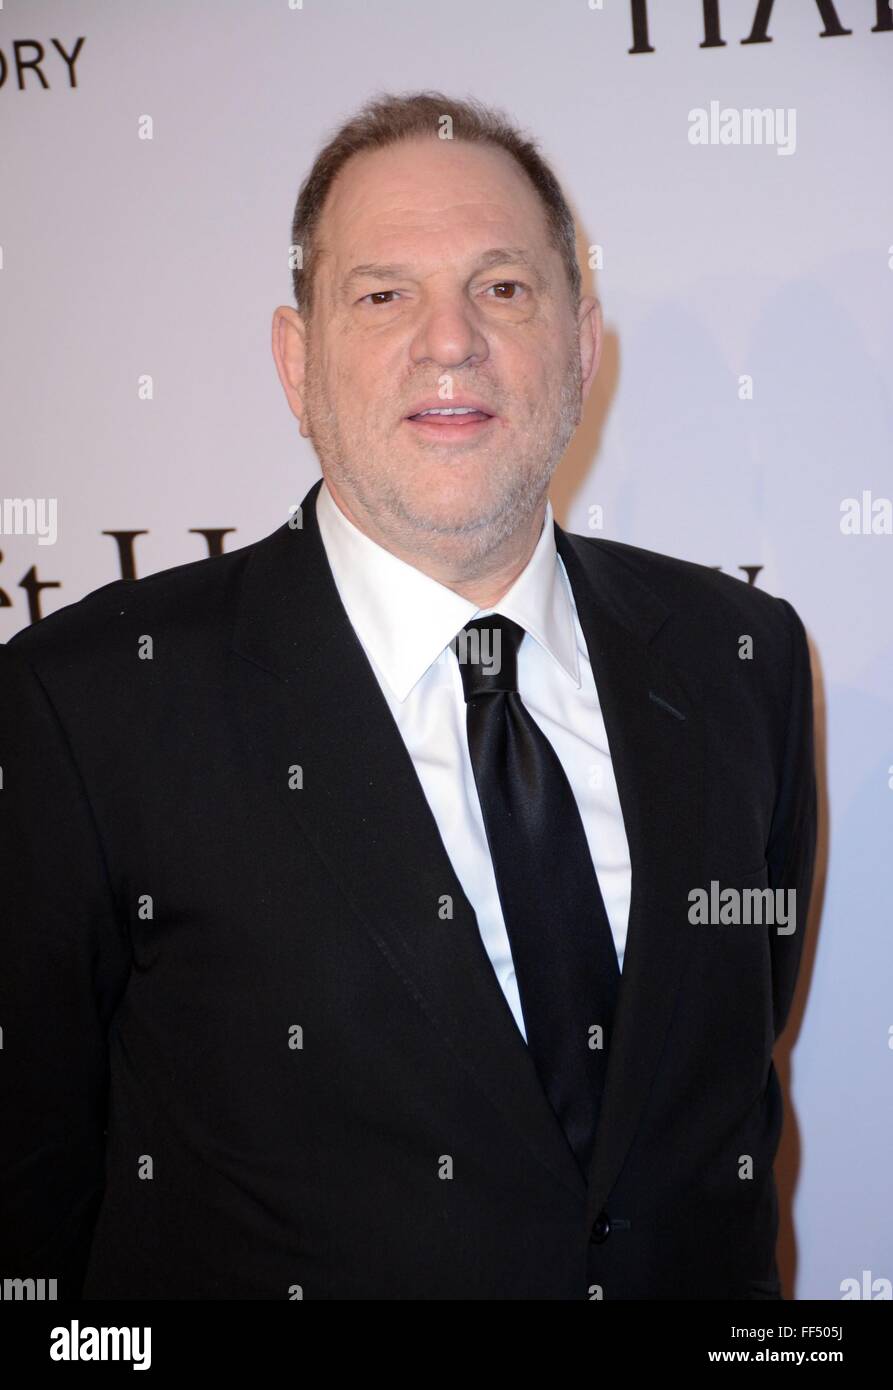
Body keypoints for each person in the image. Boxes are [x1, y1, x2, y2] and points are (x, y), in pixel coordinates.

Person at [0, 91, 817, 1300]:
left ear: (581, 346)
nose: (450, 342)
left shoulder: (738, 656)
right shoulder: (88, 705)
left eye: (503, 288)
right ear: (297, 363)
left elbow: (732, 1092)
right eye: (382, 295)